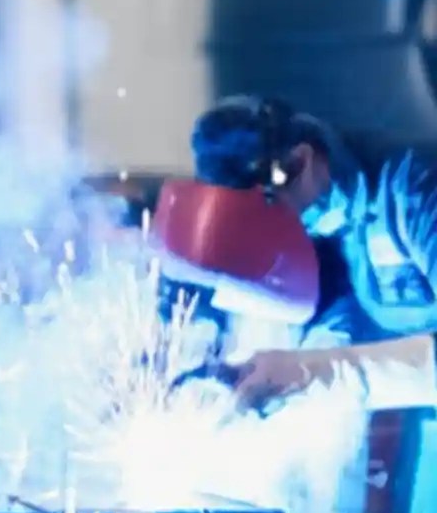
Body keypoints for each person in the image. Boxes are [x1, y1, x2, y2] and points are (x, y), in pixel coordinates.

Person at [183, 94, 437, 412]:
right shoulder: (319, 215)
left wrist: (317, 372)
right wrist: (312, 352)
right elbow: (346, 308)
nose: (271, 237)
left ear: (300, 162)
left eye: (267, 219)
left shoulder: (415, 189)